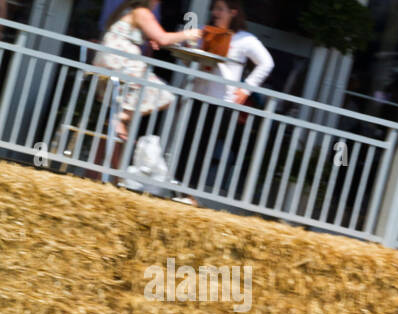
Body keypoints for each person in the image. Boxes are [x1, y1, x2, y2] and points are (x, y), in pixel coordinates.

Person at [180, 0, 271, 197]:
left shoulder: (245, 39)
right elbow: (190, 57)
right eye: (214, 9)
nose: (215, 13)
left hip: (222, 102)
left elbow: (266, 63)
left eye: (220, 9)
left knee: (202, 147)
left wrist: (246, 89)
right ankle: (179, 188)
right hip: (199, 94)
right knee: (187, 143)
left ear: (233, 12)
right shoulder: (206, 31)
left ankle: (189, 194)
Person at [95, 1, 200, 152]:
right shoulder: (142, 12)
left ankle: (121, 118)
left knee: (149, 91)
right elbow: (163, 39)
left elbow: (154, 37)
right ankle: (121, 117)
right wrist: (189, 34)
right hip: (121, 59)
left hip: (109, 59)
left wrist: (150, 37)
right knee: (164, 95)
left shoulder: (130, 10)